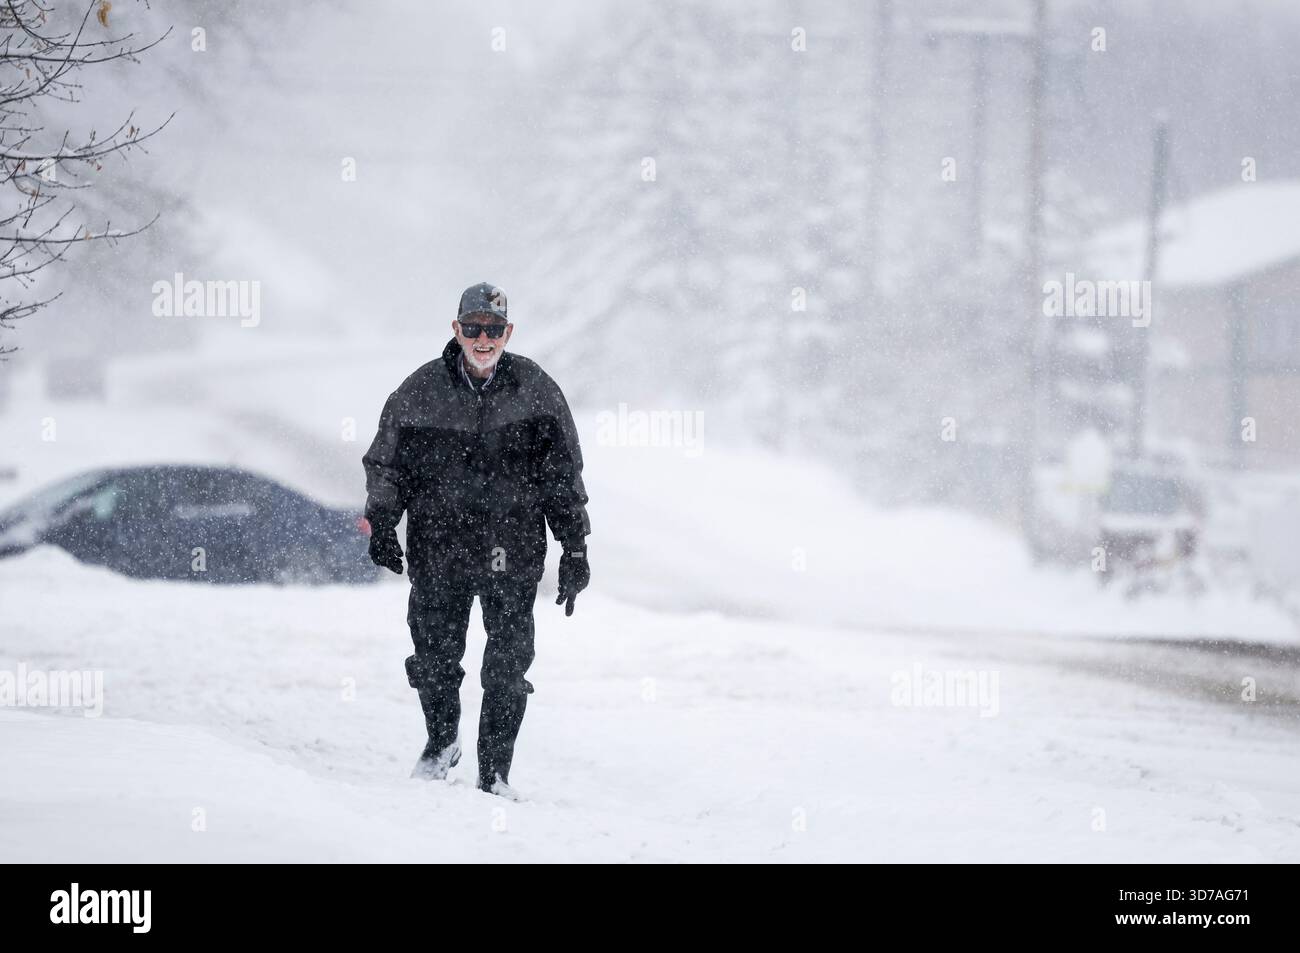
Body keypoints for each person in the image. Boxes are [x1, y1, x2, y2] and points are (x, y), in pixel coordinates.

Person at [362, 282, 590, 796]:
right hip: (438, 548)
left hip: (514, 551)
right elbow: (386, 464)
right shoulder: (419, 392)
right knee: (434, 658)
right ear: (456, 329)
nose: (482, 339)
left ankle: (496, 771)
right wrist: (382, 523)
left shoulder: (536, 391)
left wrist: (575, 548)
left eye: (493, 330)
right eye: (473, 328)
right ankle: (442, 742)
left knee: (507, 667)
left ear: (508, 333)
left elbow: (562, 478)